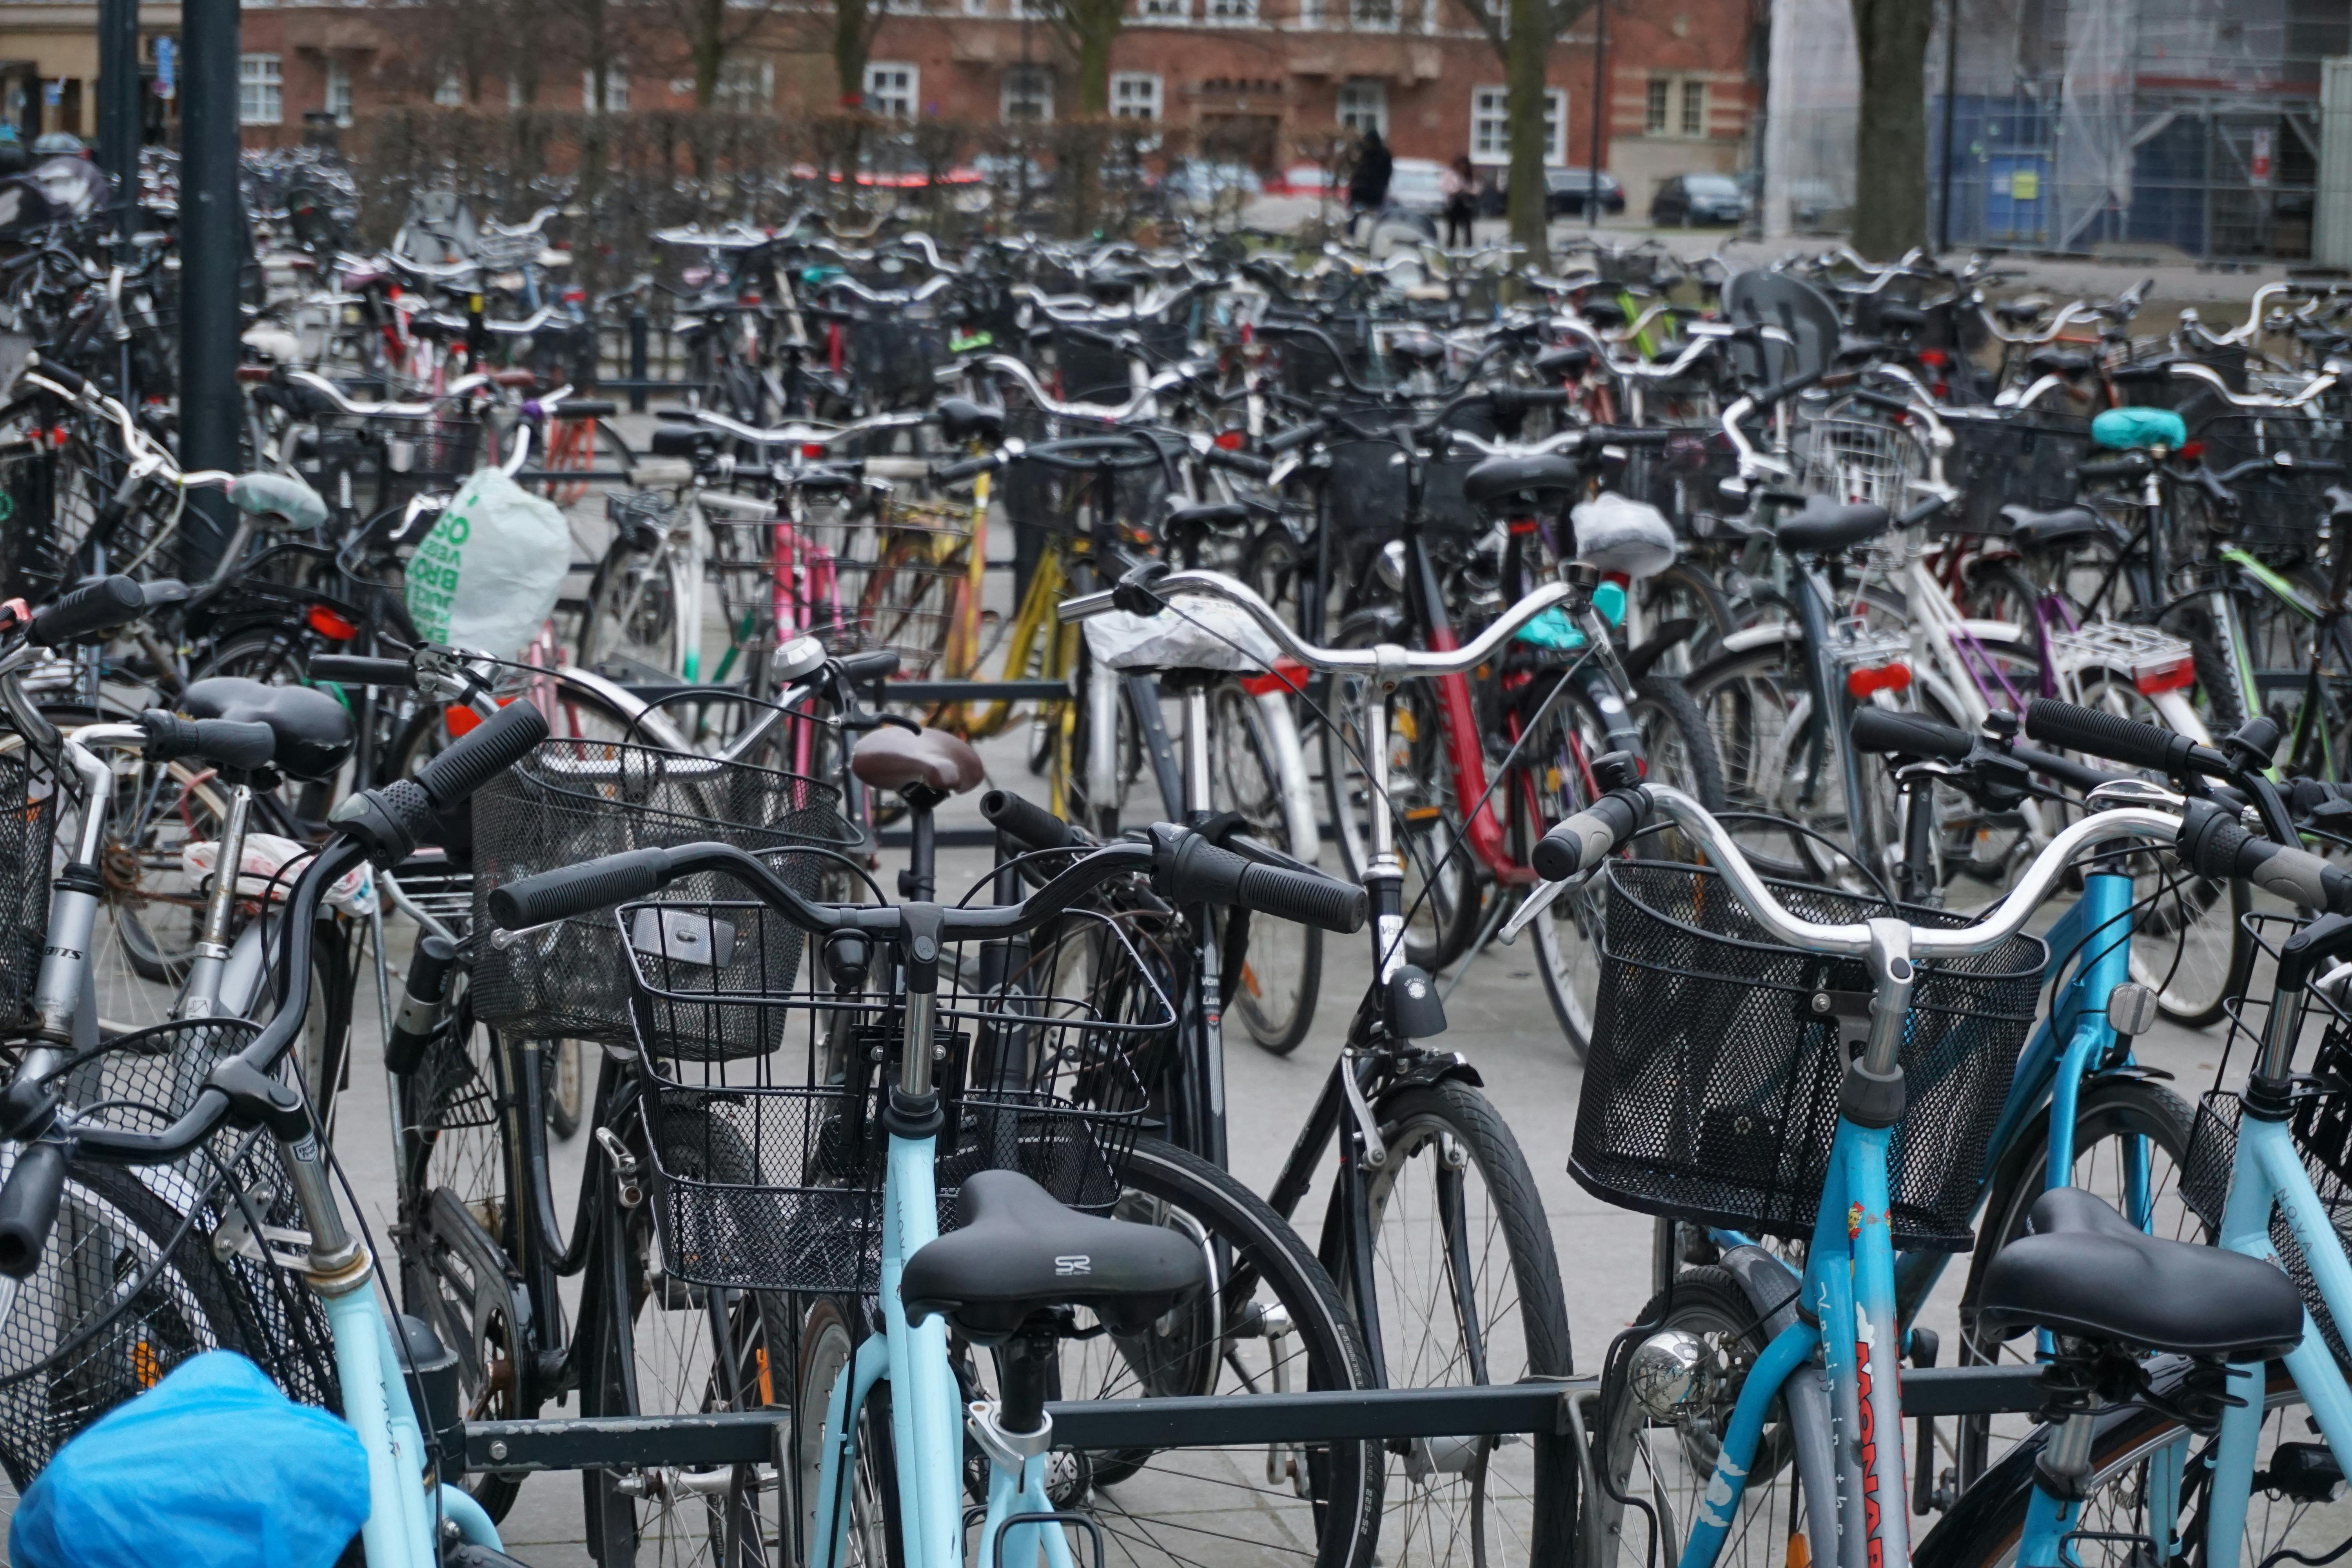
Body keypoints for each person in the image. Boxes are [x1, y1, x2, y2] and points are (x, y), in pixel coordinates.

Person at [1347, 127, 1392, 238]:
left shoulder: (1367, 154)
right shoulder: (1381, 154)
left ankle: (1361, 236)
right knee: (1362, 216)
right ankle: (1358, 235)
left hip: (1367, 191)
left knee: (1363, 216)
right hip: (1368, 191)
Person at [1440, 153, 1476, 248]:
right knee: (1452, 231)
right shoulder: (1450, 174)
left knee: (1468, 231)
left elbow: (1476, 188)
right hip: (1454, 206)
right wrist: (1455, 190)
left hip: (1465, 206)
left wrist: (1468, 190)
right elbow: (1443, 186)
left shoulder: (1468, 175)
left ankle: (1468, 250)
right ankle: (1451, 250)